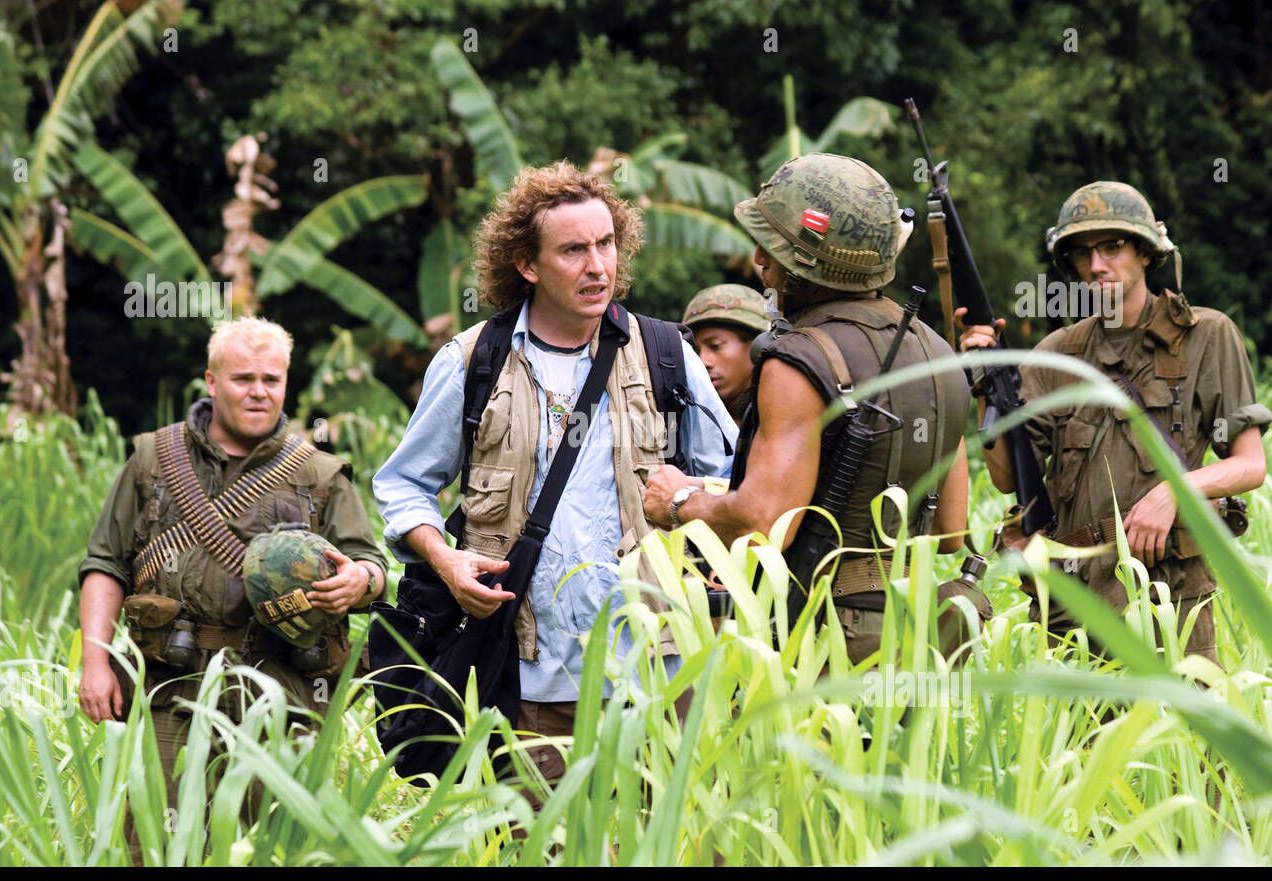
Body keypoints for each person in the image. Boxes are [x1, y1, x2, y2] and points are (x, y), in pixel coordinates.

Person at [373, 161, 736, 783]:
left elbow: (732, 484)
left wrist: (689, 510)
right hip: (525, 674)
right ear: (528, 264)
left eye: (606, 243)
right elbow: (403, 484)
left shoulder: (668, 355)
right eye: (573, 250)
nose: (598, 266)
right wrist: (447, 560)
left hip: (658, 669)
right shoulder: (472, 363)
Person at [644, 154, 973, 665]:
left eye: (773, 247)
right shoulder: (938, 354)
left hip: (819, 636)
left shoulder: (797, 361)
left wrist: (681, 500)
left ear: (807, 264)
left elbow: (762, 527)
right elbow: (952, 529)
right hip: (919, 635)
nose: (759, 259)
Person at [77, 316, 387, 855]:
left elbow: (369, 563)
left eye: (272, 379)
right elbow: (106, 564)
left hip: (285, 690)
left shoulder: (319, 472)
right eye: (244, 378)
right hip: (172, 688)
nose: (259, 392)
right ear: (212, 381)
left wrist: (360, 581)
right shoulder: (153, 460)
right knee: (157, 844)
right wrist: (94, 661)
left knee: (280, 846)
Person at [958, 181, 1270, 662]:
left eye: (1112, 246)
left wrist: (1172, 493)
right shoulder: (1056, 355)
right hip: (1077, 609)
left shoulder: (1206, 336)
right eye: (1083, 253)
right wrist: (985, 385)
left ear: (1145, 252)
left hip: (1172, 600)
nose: (1097, 265)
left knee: (1183, 738)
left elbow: (1250, 465)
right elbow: (1004, 478)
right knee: (1081, 739)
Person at [683, 283, 771, 426]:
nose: (703, 361)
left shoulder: (783, 414)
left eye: (715, 346)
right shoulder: (685, 418)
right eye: (695, 351)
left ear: (758, 346)